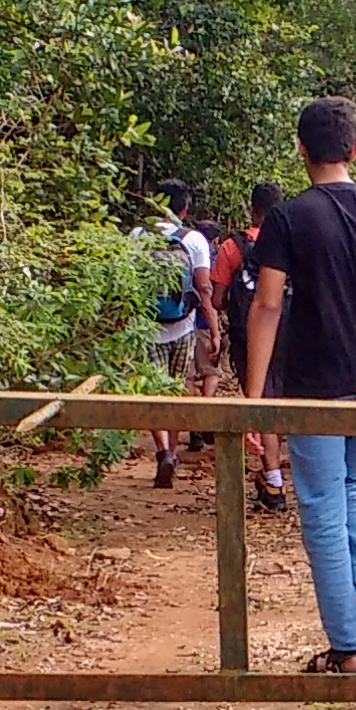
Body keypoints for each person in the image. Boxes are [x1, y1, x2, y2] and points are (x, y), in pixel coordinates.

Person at [241, 97, 356, 673]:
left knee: (323, 507)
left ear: (301, 150)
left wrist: (254, 401)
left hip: (315, 386)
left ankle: (348, 649)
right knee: (352, 484)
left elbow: (268, 306)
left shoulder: (288, 218)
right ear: (355, 149)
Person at [211, 181, 289, 512]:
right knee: (287, 401)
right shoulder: (293, 241)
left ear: (252, 210)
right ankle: (279, 471)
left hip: (248, 340)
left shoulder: (232, 247)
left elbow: (216, 298)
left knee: (263, 401)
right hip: (291, 335)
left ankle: (274, 481)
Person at [140, 183, 214, 489]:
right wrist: (214, 328)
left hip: (147, 327)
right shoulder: (193, 239)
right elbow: (205, 289)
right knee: (177, 388)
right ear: (184, 209)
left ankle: (164, 451)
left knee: (153, 391)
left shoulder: (139, 237)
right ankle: (172, 448)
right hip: (183, 326)